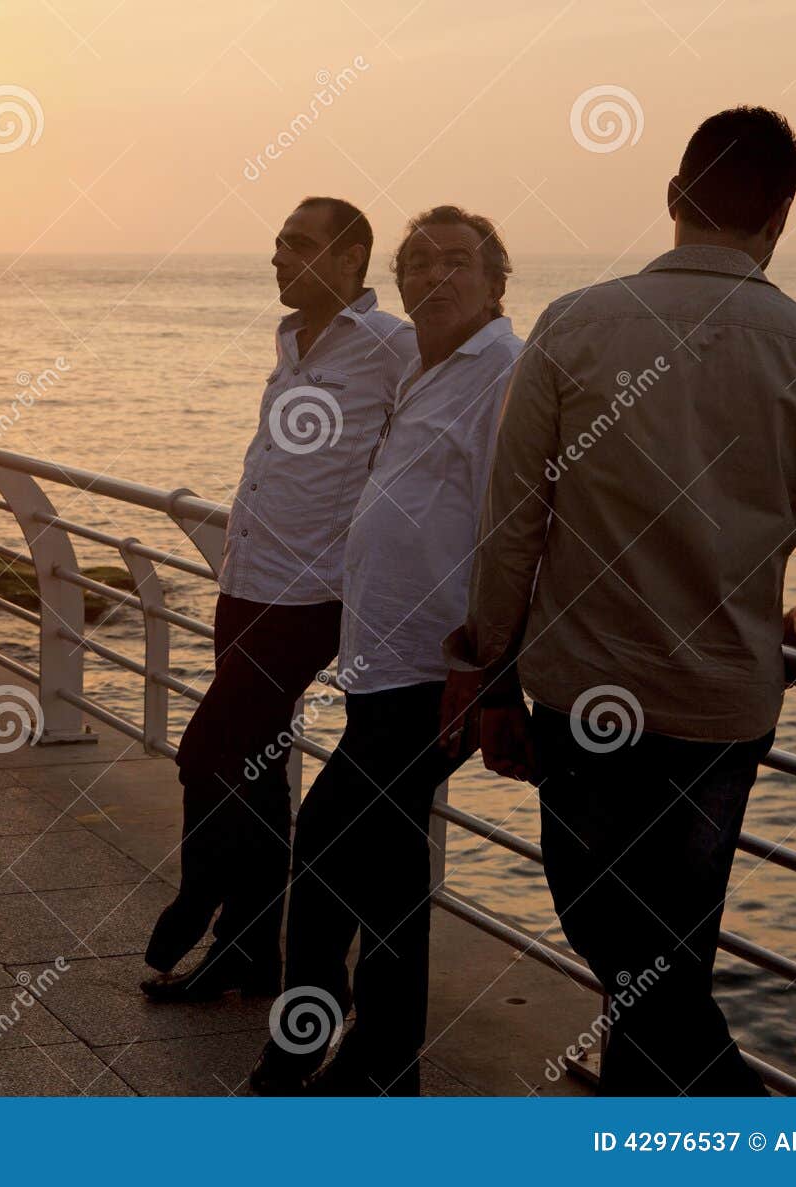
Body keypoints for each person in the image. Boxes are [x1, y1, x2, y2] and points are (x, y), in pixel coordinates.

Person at [439, 107, 796, 1096]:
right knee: (666, 960)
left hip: (579, 698)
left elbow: (510, 527)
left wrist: (489, 679)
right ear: (780, 214)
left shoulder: (574, 323)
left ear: (671, 198)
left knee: (634, 959)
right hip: (719, 708)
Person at [248, 207, 522, 1096]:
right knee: (391, 864)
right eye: (418, 263)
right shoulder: (422, 369)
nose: (434, 276)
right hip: (382, 663)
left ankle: (302, 1050)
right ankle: (385, 1063)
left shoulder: (502, 375)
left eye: (456, 263)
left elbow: (521, 531)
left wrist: (488, 671)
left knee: (327, 844)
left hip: (435, 673)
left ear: (495, 284)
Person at [142, 197, 417, 1004]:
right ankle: (251, 950)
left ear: (350, 258)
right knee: (257, 773)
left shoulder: (393, 347)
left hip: (312, 592)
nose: (277, 257)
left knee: (209, 752)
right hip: (245, 577)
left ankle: (199, 904)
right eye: (276, 243)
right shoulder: (292, 340)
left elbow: (426, 455)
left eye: (296, 245)